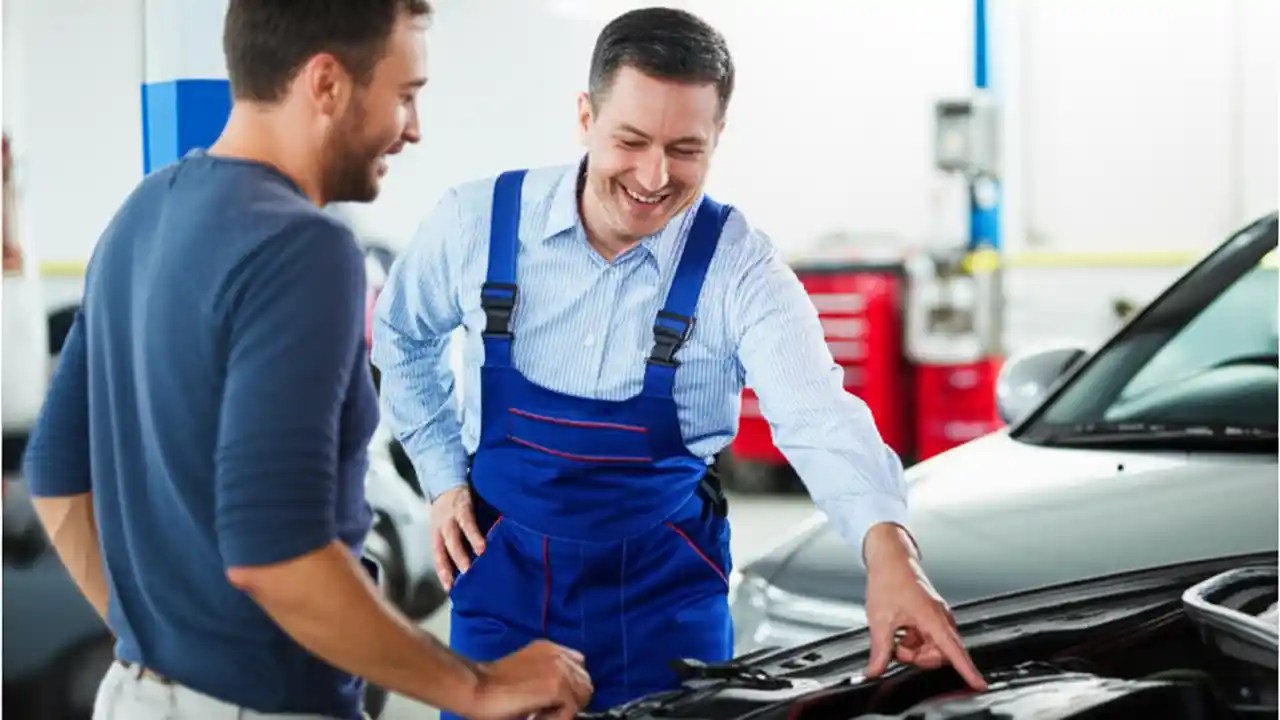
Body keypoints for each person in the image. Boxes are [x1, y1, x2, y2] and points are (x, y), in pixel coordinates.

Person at [372, 6, 989, 715]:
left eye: (686, 148)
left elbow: (816, 414)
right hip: (501, 579)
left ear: (718, 137)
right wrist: (444, 475)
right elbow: (403, 338)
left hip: (664, 600)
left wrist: (890, 553)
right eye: (630, 140)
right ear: (585, 115)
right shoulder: (475, 223)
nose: (654, 175)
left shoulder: (739, 267)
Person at [21, 2, 591, 719]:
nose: (415, 128)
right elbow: (277, 552)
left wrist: (162, 644)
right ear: (326, 84)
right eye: (406, 96)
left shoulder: (143, 212)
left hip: (135, 694)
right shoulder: (305, 248)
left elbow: (56, 476)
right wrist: (478, 687)